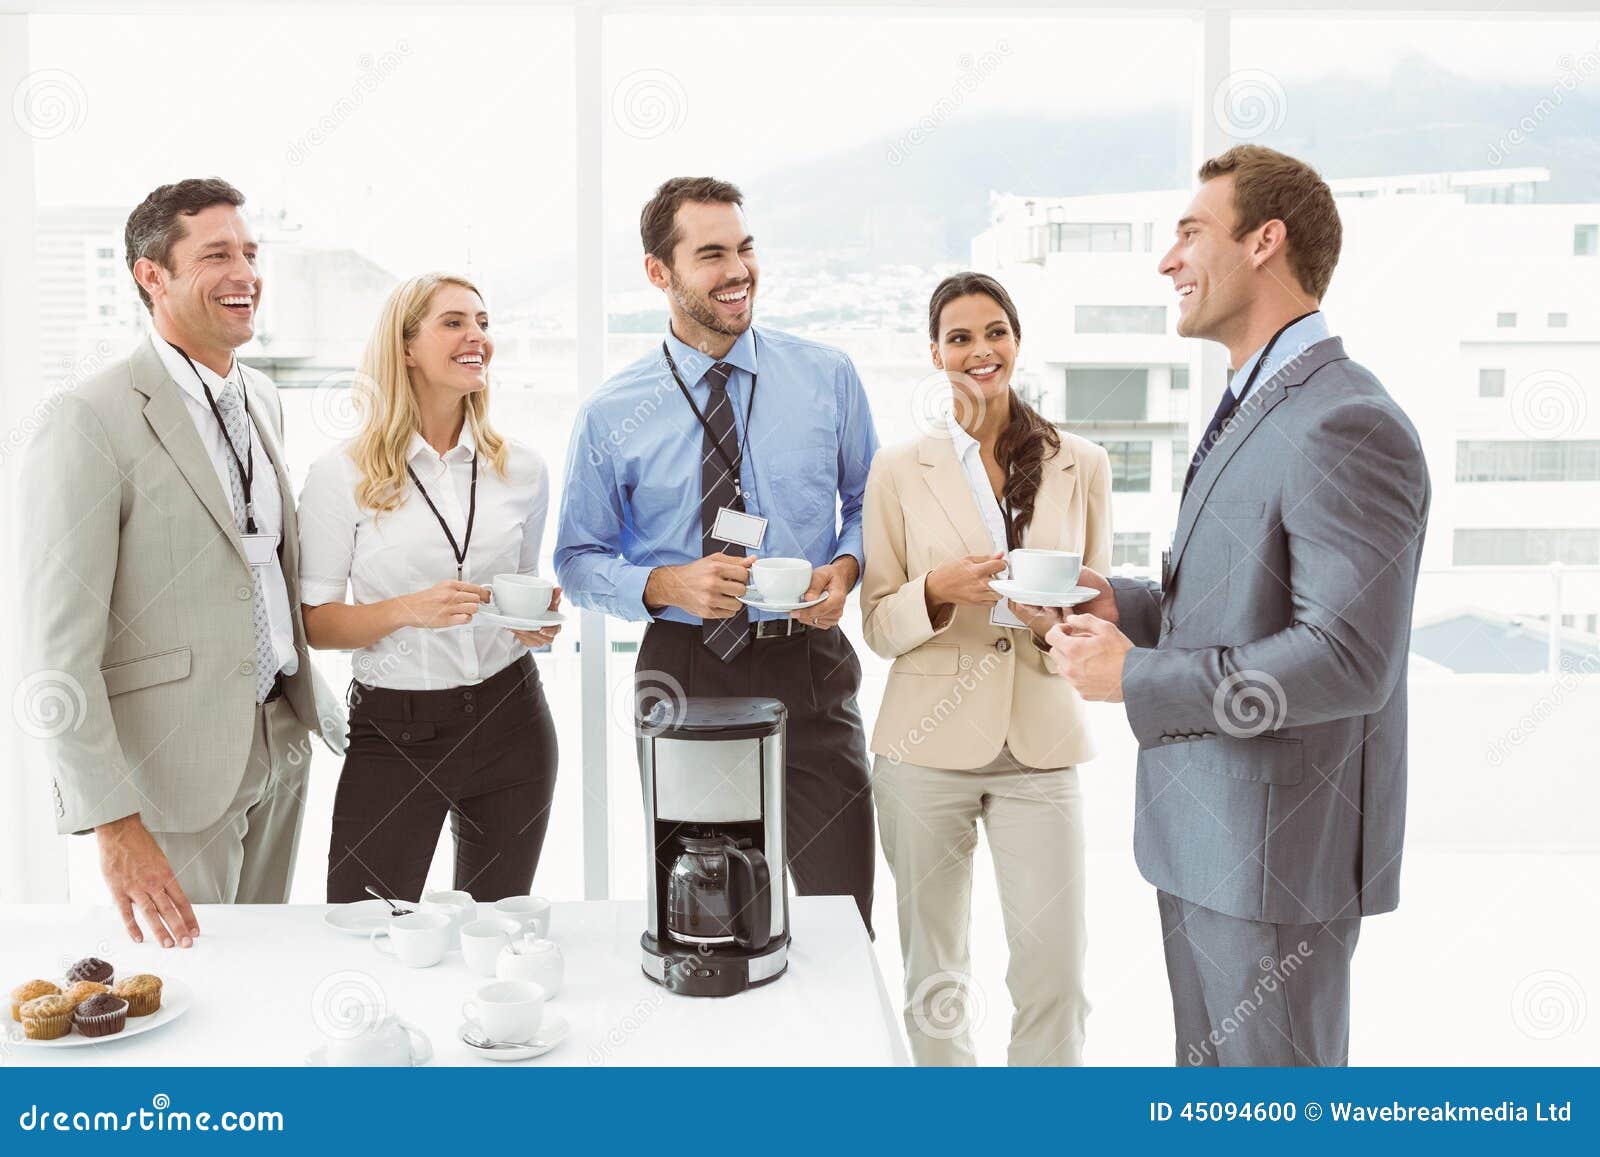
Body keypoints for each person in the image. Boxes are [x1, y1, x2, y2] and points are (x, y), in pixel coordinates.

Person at [1034, 145, 1430, 1066]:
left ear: (1266, 242)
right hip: (1206, 842)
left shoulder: (1345, 419)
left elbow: (1346, 658)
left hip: (1273, 863)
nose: (1167, 261)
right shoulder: (1255, 400)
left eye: (1189, 234)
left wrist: (1136, 678)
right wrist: (1117, 601)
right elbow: (1233, 604)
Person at [21, 178, 345, 945]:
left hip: (280, 742)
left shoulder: (260, 397)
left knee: (263, 973)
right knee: (197, 997)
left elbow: (256, 568)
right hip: (171, 778)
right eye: (217, 255)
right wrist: (113, 822)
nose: (246, 274)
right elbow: (55, 648)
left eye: (250, 252)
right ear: (151, 276)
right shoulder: (88, 417)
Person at [555, 177, 879, 932]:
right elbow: (576, 558)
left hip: (810, 659)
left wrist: (848, 568)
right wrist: (666, 582)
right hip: (685, 666)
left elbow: (868, 503)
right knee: (708, 921)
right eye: (711, 255)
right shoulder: (610, 412)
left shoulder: (827, 375)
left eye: (745, 248)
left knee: (842, 917)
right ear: (659, 273)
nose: (737, 270)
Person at [861, 272, 1111, 1066]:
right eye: (960, 337)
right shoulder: (897, 468)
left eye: (995, 332)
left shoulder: (1083, 463)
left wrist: (1053, 625)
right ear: (934, 353)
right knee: (935, 974)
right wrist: (935, 590)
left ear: (1016, 341)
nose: (980, 350)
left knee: (1057, 976)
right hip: (922, 748)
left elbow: (1100, 605)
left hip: (1041, 744)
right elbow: (875, 623)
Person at [298, 274, 560, 904]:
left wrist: (535, 620)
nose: (478, 337)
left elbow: (518, 595)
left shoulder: (522, 469)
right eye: (454, 322)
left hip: (514, 719)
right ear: (406, 347)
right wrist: (407, 610)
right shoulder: (341, 475)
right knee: (366, 931)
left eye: (484, 321)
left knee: (497, 932)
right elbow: (315, 623)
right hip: (397, 732)